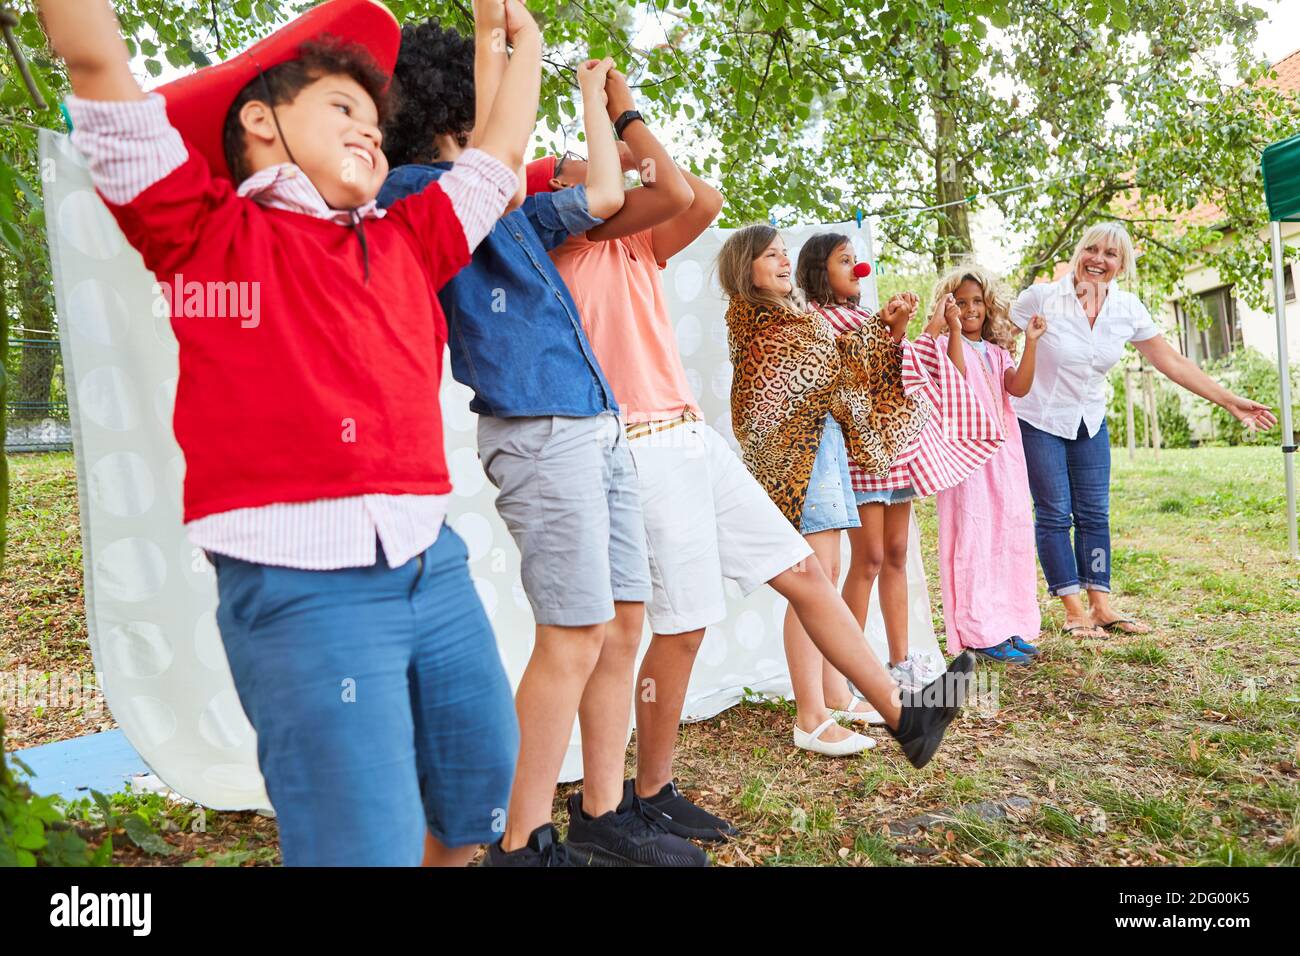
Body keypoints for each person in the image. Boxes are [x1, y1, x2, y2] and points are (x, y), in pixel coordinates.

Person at [41, 0, 542, 865]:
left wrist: (516, 44)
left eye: (378, 124)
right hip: (306, 592)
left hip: (434, 564)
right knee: (364, 844)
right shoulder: (202, 228)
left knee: (477, 795)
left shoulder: (409, 237)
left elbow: (497, 158)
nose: (372, 134)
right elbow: (96, 66)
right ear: (261, 123)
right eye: (343, 108)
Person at [378, 25, 703, 867]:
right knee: (574, 630)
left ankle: (602, 812)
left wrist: (596, 101)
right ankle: (519, 844)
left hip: (595, 422)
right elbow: (502, 140)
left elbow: (601, 197)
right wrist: (505, 36)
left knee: (623, 617)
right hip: (538, 431)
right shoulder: (419, 194)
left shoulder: (505, 203)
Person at [710, 222, 977, 771]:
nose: (782, 262)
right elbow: (819, 372)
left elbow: (841, 364)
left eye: (785, 254)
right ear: (745, 268)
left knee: (823, 580)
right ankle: (811, 715)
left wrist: (886, 330)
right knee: (813, 580)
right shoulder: (757, 320)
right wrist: (886, 331)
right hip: (796, 458)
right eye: (769, 256)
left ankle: (834, 696)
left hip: (823, 450)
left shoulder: (794, 317)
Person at [1012, 222, 1277, 638]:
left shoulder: (1127, 309)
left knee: (1095, 514)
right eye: (1092, 249)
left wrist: (1229, 400)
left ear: (1122, 264)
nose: (1099, 260)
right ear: (1079, 252)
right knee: (1053, 514)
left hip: (1089, 421)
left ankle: (1101, 605)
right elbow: (990, 335)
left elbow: (1172, 362)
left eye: (1111, 254)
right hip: (1039, 419)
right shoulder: (1041, 298)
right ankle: (1073, 611)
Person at [800, 233, 1002, 692]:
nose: (857, 268)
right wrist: (903, 328)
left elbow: (896, 369)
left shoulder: (861, 317)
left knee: (894, 554)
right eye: (844, 261)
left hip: (891, 453)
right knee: (867, 558)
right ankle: (848, 670)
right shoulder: (815, 322)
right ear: (818, 270)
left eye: (856, 259)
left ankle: (900, 663)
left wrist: (909, 325)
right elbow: (857, 375)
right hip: (858, 455)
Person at [929, 265, 1045, 664]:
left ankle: (1009, 623)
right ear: (948, 308)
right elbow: (956, 376)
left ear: (988, 305)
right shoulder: (945, 347)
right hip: (967, 462)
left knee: (1009, 536)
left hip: (1006, 457)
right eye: (960, 303)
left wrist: (1030, 342)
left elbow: (1019, 388)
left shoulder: (997, 354)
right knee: (975, 539)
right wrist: (954, 331)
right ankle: (980, 631)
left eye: (977, 301)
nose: (970, 308)